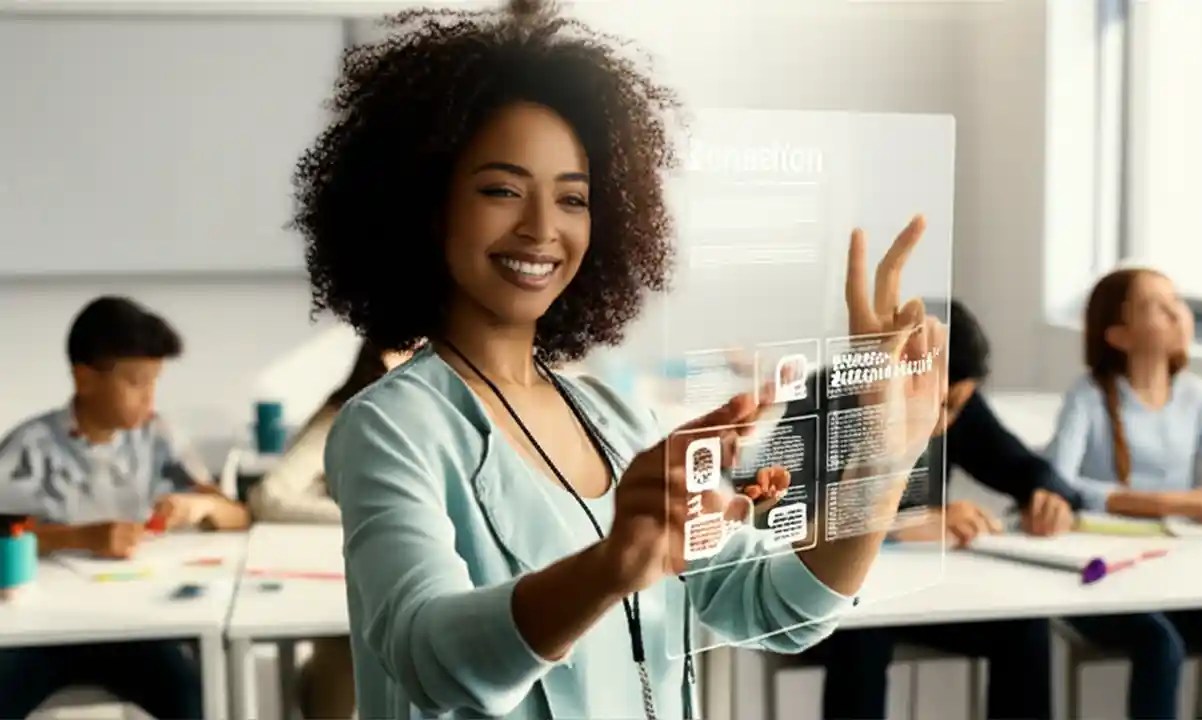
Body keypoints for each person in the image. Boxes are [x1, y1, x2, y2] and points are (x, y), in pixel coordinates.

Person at [290, 1, 949, 718]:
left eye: (572, 199)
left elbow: (777, 607)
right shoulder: (390, 426)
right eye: (502, 190)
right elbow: (431, 659)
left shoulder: (612, 417)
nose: (543, 229)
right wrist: (611, 567)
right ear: (426, 203)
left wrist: (883, 459)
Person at [812, 299, 1082, 720]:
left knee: (1024, 625)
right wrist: (903, 523)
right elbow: (775, 517)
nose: (943, 422)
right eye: (942, 404)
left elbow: (1024, 468)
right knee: (863, 629)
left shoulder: (956, 408)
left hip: (916, 596)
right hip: (831, 602)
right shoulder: (829, 397)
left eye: (957, 405)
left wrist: (1047, 495)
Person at [0, 295, 251, 718]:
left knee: (195, 697)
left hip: (138, 625)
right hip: (42, 631)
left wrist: (199, 507)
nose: (148, 398)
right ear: (85, 379)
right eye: (135, 383)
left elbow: (239, 515)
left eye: (155, 382)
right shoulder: (31, 447)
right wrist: (80, 537)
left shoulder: (155, 437)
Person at [1047, 267, 1202, 720]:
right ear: (1118, 334)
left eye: (1177, 300)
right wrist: (1170, 503)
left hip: (1176, 578)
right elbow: (1058, 483)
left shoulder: (1197, 397)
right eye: (1157, 305)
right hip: (1102, 580)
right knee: (1160, 644)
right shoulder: (1089, 398)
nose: (1178, 313)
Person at [247, 339, 411, 719]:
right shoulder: (349, 412)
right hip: (351, 592)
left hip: (409, 585)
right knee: (347, 654)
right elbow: (269, 496)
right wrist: (367, 512)